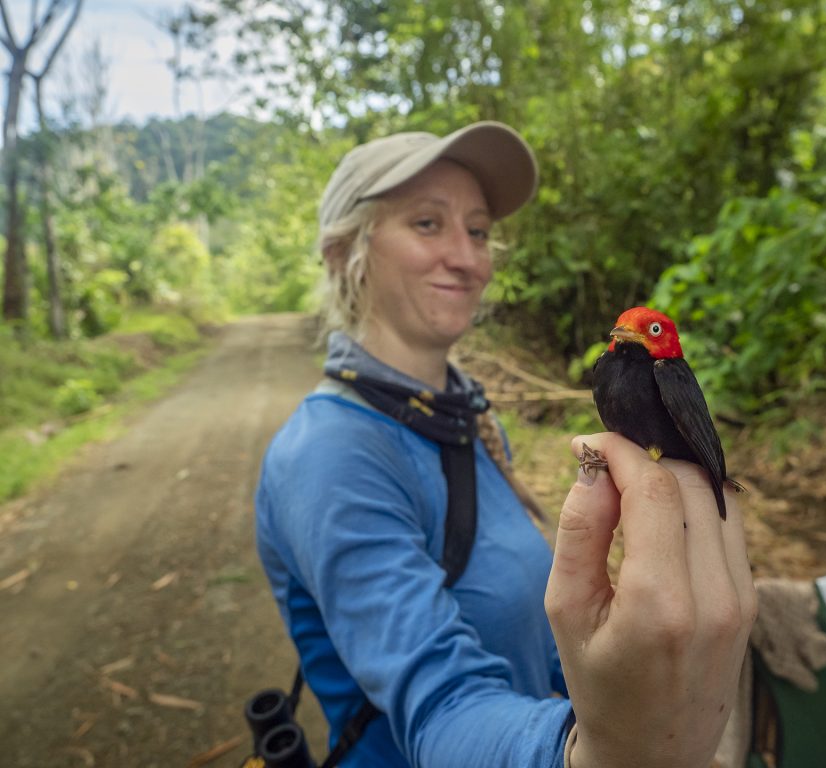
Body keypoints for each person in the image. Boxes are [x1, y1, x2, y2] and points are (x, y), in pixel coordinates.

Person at [255, 120, 757, 768]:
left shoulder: (464, 419)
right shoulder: (330, 456)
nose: (467, 258)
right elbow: (438, 706)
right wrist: (598, 749)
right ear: (341, 252)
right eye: (428, 224)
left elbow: (530, 626)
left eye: (479, 230)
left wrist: (603, 683)